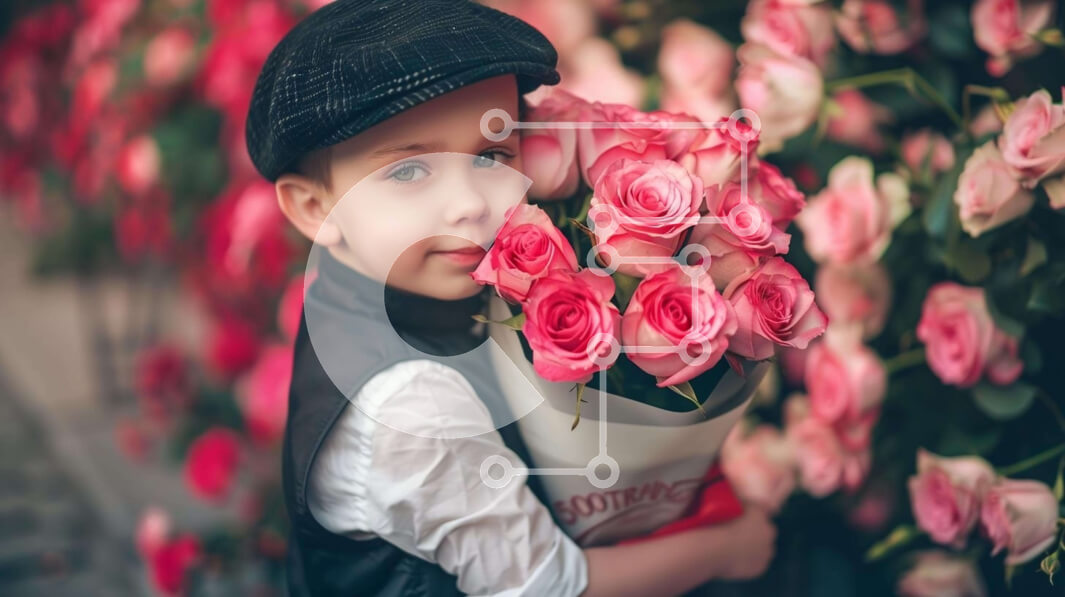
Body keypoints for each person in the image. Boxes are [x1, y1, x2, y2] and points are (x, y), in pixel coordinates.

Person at [244, 1, 777, 595]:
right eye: (409, 171)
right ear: (316, 209)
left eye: (490, 156)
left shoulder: (396, 297)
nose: (469, 203)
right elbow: (550, 587)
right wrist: (727, 548)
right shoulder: (410, 408)